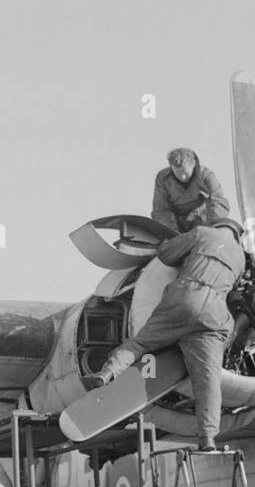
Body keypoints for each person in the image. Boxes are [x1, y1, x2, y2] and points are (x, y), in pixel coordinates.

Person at [82, 218, 246, 450]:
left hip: (183, 297)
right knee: (208, 379)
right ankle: (207, 438)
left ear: (217, 226)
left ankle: (107, 374)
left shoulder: (202, 233)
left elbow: (167, 254)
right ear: (238, 235)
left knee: (139, 344)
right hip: (213, 314)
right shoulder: (240, 256)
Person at [152, 147, 231, 233]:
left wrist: (211, 229)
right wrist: (171, 232)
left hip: (203, 223)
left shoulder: (206, 176)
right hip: (176, 224)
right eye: (178, 173)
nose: (182, 177)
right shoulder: (163, 179)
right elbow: (161, 210)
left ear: (194, 164)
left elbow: (218, 203)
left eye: (185, 173)